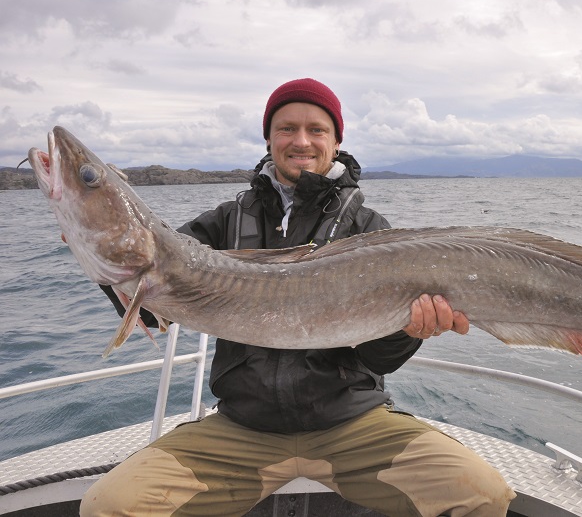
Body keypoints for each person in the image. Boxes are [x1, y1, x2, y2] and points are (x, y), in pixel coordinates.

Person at [80, 78, 515, 516]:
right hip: (242, 429)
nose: (301, 141)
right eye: (286, 129)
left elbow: (381, 361)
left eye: (316, 129)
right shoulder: (225, 222)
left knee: (482, 494)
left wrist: (411, 329)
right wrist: (98, 249)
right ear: (269, 138)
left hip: (352, 425)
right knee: (108, 505)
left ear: (337, 140)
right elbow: (154, 314)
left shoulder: (371, 231)